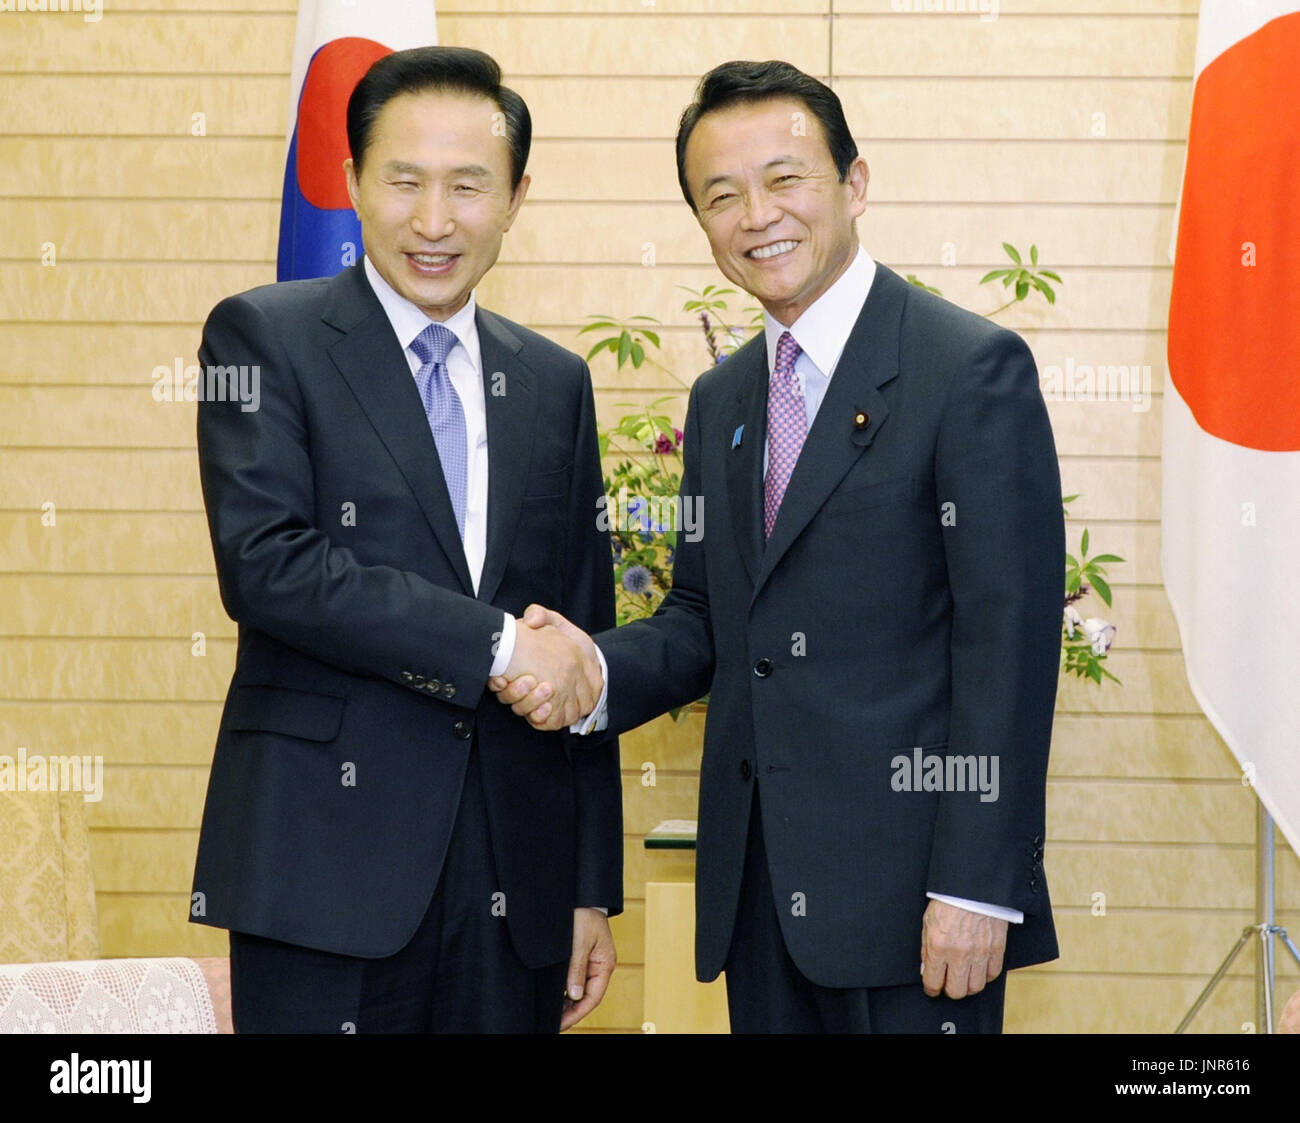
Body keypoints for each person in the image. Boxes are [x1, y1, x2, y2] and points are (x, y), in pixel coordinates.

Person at [492, 59, 1064, 1033]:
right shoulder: (723, 401)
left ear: (854, 183)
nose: (756, 214)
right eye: (721, 194)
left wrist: (976, 885)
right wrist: (586, 663)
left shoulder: (967, 370)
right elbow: (704, 617)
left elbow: (1005, 642)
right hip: (760, 900)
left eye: (784, 178)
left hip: (917, 907)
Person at [190, 46, 618, 1033]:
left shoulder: (554, 382)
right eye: (404, 181)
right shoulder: (261, 337)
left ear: (514, 196)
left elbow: (578, 627)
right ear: (349, 184)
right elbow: (269, 566)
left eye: (468, 185)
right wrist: (500, 646)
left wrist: (591, 883)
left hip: (516, 877)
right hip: (321, 863)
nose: (434, 221)